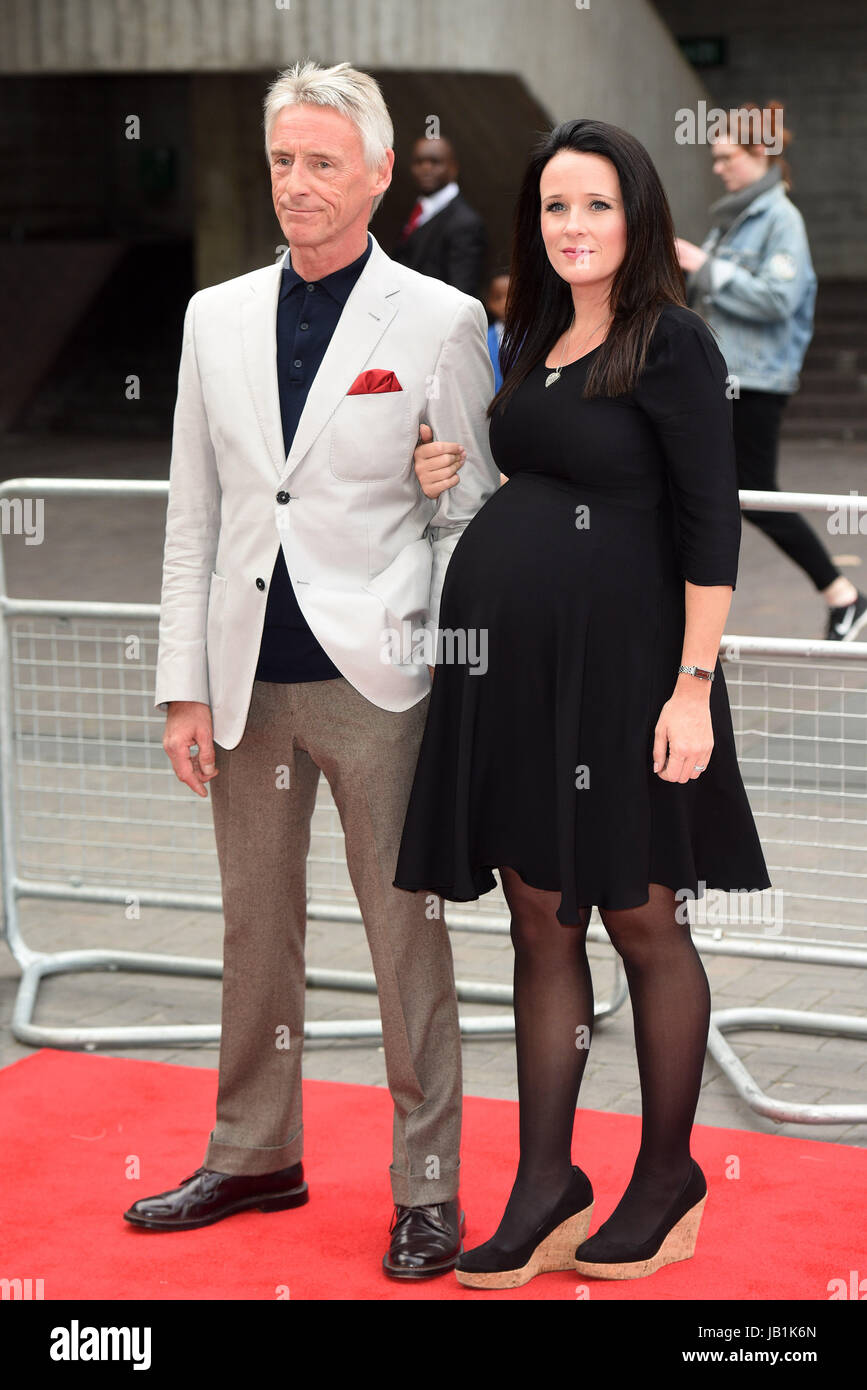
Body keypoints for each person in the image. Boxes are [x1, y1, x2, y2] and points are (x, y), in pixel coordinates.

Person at [124, 59, 501, 1281]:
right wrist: (183, 682)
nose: (297, 183)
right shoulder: (212, 316)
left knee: (409, 941)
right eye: (283, 160)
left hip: (382, 683)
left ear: (382, 173)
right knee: (253, 934)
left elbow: (481, 512)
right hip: (244, 687)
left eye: (323, 161)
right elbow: (196, 513)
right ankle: (253, 1153)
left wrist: (461, 514)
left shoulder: (440, 321)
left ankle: (427, 1184)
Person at [395, 118, 772, 1288]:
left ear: (637, 214)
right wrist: (449, 476)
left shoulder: (675, 342)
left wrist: (693, 690)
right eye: (556, 206)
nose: (572, 227)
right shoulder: (540, 333)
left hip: (631, 680)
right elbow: (548, 477)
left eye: (596, 205)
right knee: (538, 914)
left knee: (643, 916)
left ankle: (667, 1176)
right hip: (517, 682)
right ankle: (548, 1177)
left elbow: (712, 527)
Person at [676, 101, 867, 643]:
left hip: (753, 381)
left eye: (725, 157)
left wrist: (705, 265)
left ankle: (842, 594)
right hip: (731, 376)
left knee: (750, 493)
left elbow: (779, 300)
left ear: (759, 153)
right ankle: (839, 596)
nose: (718, 167)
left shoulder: (779, 219)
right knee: (725, 491)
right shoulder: (741, 215)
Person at [390, 134, 488, 297]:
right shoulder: (418, 209)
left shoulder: (466, 223)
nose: (426, 168)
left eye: (435, 162)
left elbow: (462, 292)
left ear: (453, 168)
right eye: (419, 162)